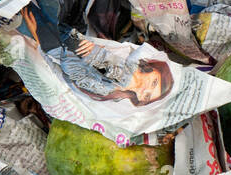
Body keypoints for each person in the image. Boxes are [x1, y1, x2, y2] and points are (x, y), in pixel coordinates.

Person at [21, 6, 174, 106]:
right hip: (66, 37)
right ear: (153, 69)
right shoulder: (127, 68)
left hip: (52, 45)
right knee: (39, 2)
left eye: (147, 96)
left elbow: (66, 73)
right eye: (154, 82)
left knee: (26, 11)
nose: (145, 88)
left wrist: (39, 40)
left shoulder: (109, 89)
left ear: (139, 100)